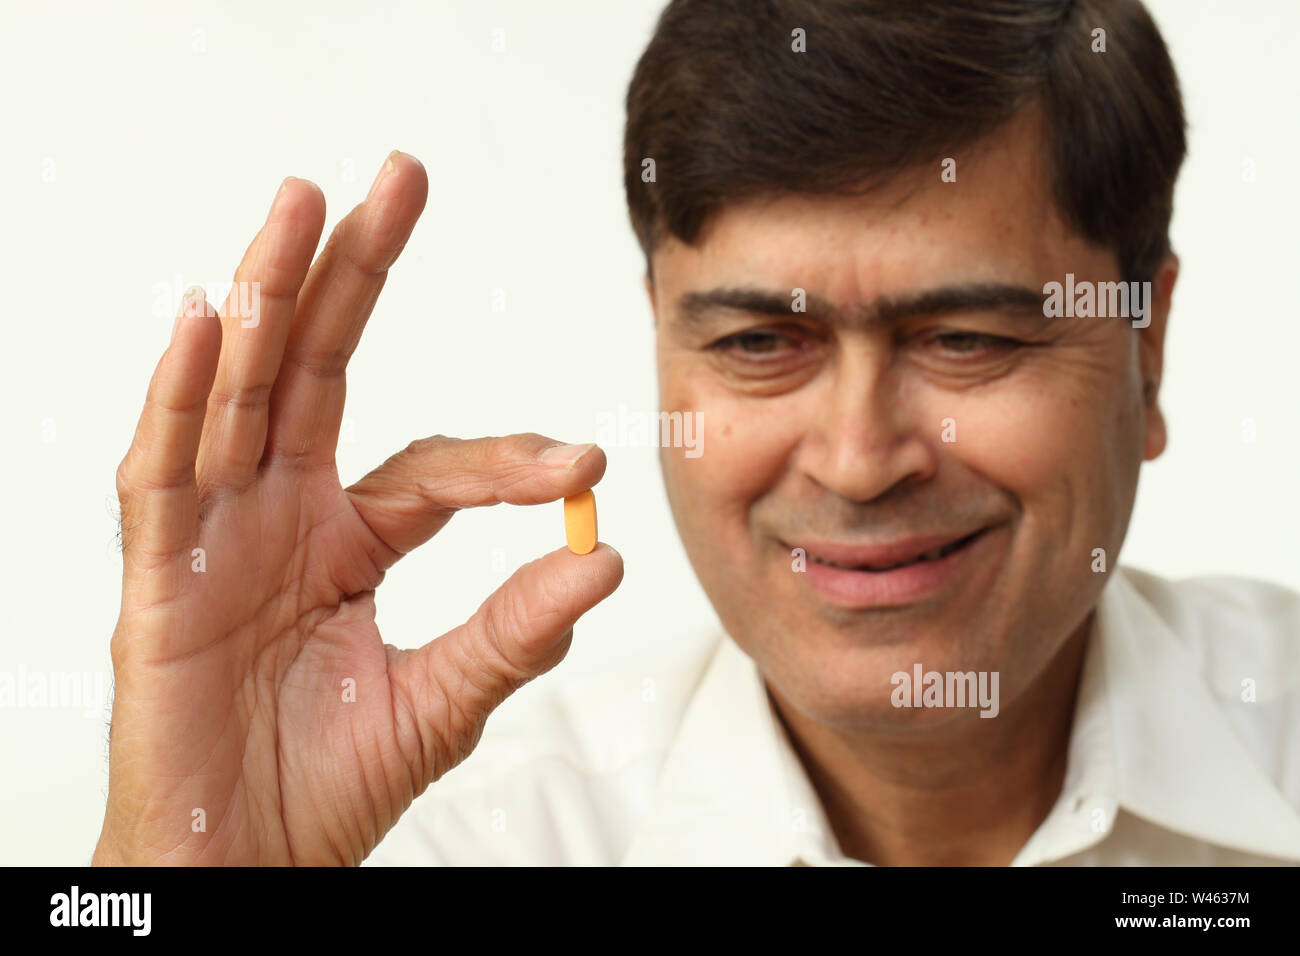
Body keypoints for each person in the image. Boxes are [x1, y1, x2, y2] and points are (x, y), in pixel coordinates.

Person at [95, 0, 1300, 867]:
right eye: (757, 346)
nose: (856, 459)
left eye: (968, 339)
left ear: (1144, 348)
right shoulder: (477, 837)